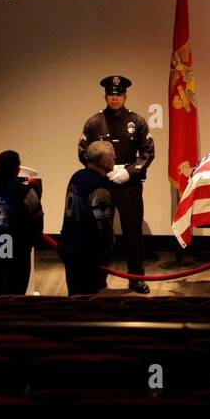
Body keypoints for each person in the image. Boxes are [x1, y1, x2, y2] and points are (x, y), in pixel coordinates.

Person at [78, 74, 154, 293]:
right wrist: (103, 172)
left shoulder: (136, 121)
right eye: (111, 94)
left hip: (129, 185)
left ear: (125, 96)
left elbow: (148, 151)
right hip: (103, 185)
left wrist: (129, 172)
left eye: (118, 94)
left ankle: (136, 278)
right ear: (105, 96)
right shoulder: (94, 122)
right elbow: (83, 152)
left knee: (133, 233)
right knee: (100, 231)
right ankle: (99, 277)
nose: (114, 98)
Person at [0, 150, 43, 296]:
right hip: (17, 249)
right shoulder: (25, 192)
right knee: (16, 293)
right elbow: (37, 219)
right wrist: (32, 242)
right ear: (16, 169)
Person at [60, 139, 116, 295]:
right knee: (88, 295)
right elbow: (102, 220)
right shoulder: (99, 185)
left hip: (69, 242)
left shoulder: (77, 176)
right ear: (104, 161)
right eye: (112, 156)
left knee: (74, 292)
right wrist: (110, 238)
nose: (115, 158)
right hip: (86, 250)